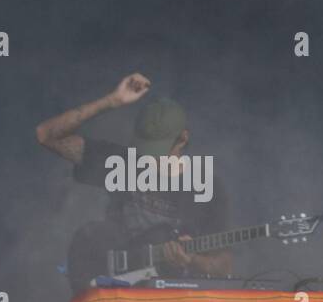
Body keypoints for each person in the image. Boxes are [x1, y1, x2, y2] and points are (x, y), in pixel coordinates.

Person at [36, 73, 232, 289]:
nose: (149, 157)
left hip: (164, 298)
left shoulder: (206, 187)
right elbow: (46, 135)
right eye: (145, 147)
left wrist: (192, 260)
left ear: (183, 139)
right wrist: (111, 101)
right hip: (112, 288)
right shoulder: (123, 164)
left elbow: (223, 265)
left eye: (158, 149)